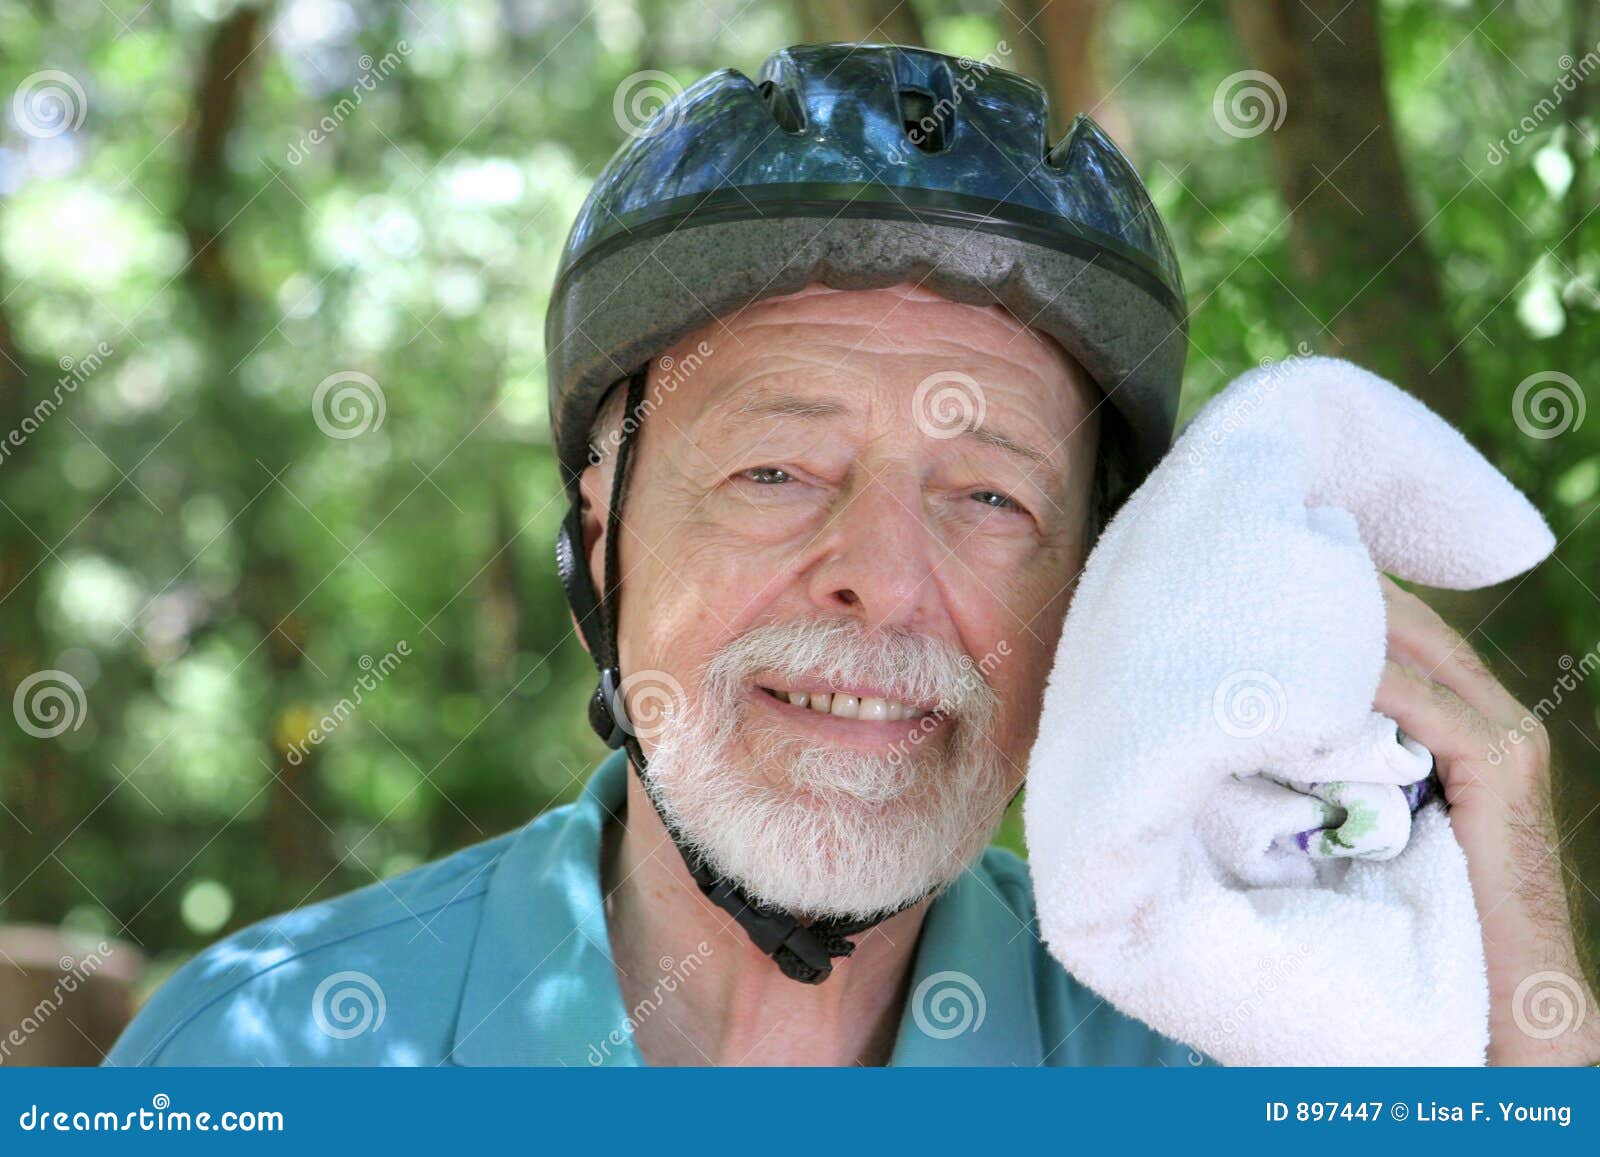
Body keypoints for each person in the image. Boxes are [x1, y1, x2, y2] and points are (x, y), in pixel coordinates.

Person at [107, 43, 1598, 1068]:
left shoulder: (1240, 1054)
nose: (880, 580)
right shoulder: (263, 1052)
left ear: (1099, 597)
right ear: (596, 540)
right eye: (774, 467)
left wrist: (1530, 1014)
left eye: (991, 499)